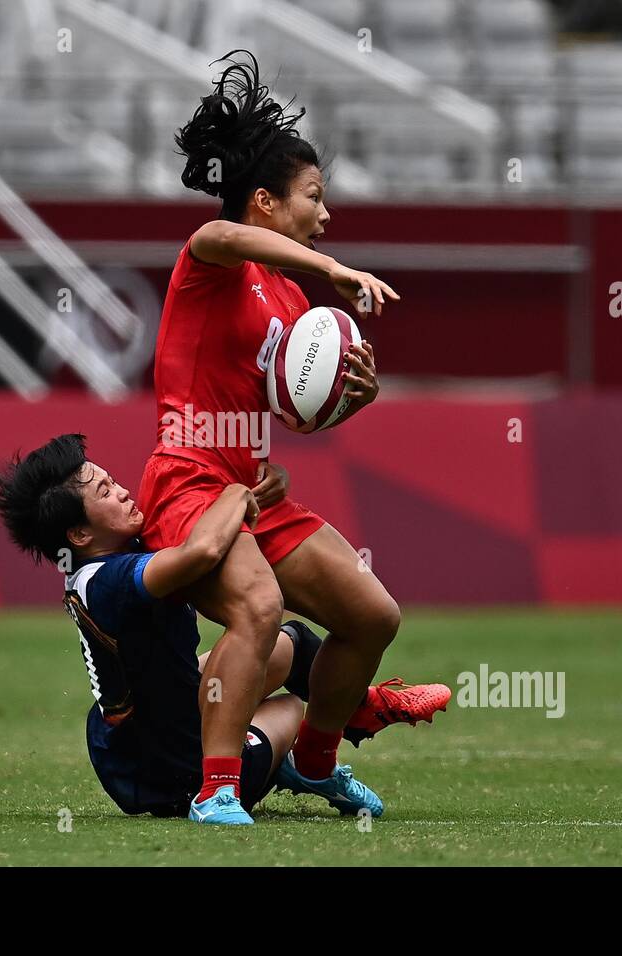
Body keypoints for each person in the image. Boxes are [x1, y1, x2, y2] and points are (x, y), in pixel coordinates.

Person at [136, 49, 415, 815]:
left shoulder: (291, 298)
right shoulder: (215, 258)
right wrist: (333, 270)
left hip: (250, 494)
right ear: (263, 201)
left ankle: (316, 762)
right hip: (187, 484)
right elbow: (225, 239)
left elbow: (296, 410)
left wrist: (353, 399)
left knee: (372, 617)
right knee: (258, 607)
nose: (325, 216)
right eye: (313, 198)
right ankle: (216, 791)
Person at [0, 434, 451, 824]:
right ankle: (290, 767)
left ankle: (361, 704)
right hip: (176, 769)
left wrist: (258, 488)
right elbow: (202, 553)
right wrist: (232, 491)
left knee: (292, 642)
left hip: (130, 740)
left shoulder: (108, 558)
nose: (124, 491)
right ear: (79, 536)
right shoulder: (109, 581)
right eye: (105, 493)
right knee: (289, 707)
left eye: (112, 480)